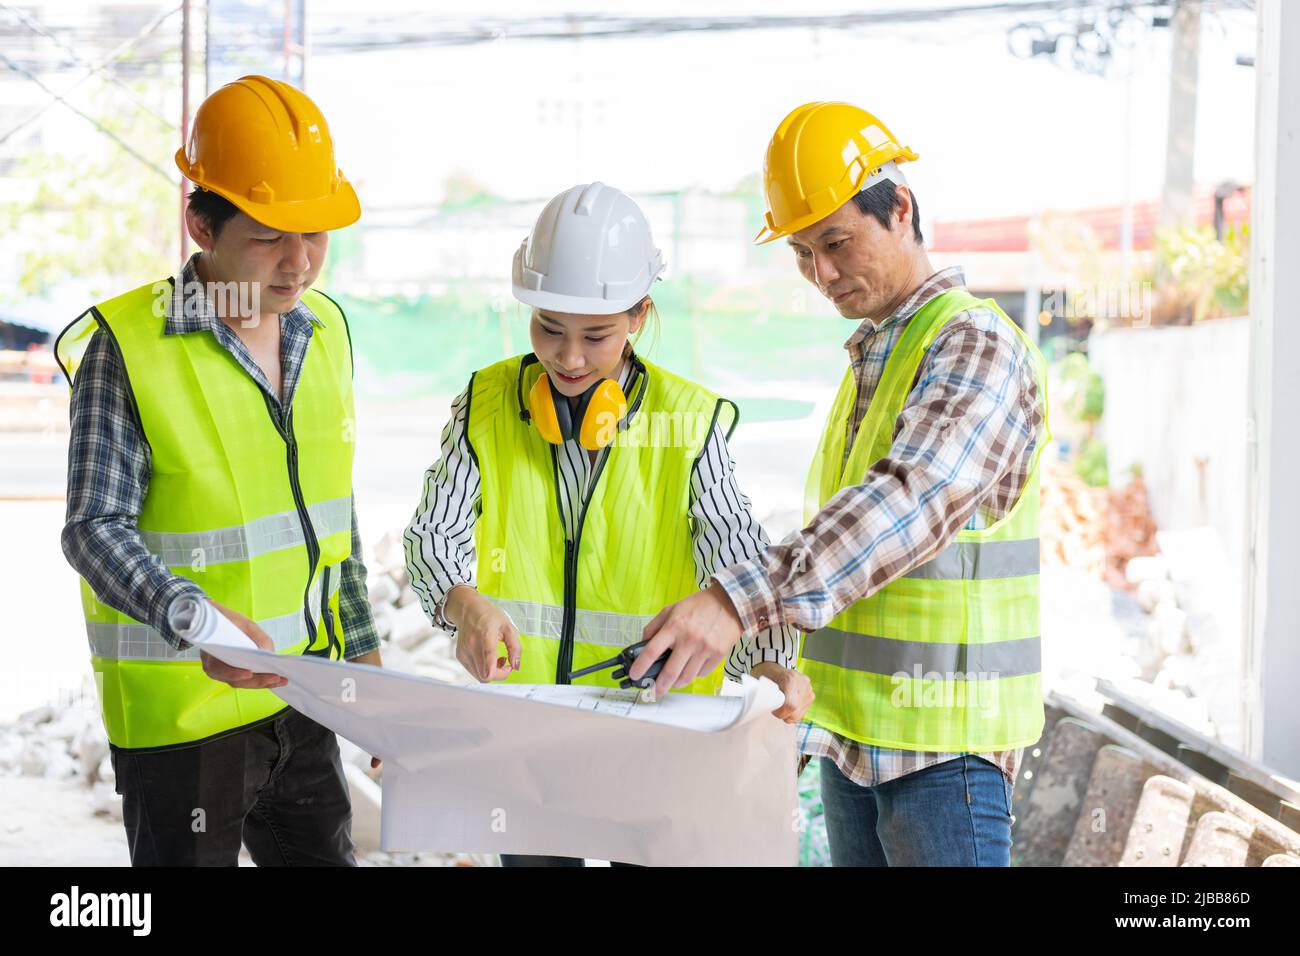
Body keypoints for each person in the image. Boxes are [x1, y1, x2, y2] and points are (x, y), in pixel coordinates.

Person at [629, 102, 1050, 867]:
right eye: (801, 253)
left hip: (943, 754)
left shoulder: (974, 342)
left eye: (837, 242)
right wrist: (772, 661)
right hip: (852, 744)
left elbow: (913, 498)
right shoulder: (872, 363)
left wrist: (735, 601)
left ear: (901, 208)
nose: (821, 274)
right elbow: (845, 551)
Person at [404, 181, 813, 867]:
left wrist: (774, 661)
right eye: (547, 329)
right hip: (531, 736)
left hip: (654, 737)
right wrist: (463, 602)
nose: (567, 358)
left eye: (595, 335)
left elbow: (735, 554)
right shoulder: (485, 403)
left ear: (639, 318)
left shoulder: (688, 424)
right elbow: (432, 538)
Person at [57, 74, 381, 866]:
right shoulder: (128, 348)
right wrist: (194, 619)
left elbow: (333, 517)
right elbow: (93, 529)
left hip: (299, 696)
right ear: (201, 220)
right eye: (271, 234)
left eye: (315, 233)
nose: (299, 263)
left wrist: (368, 670)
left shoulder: (325, 332)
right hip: (181, 724)